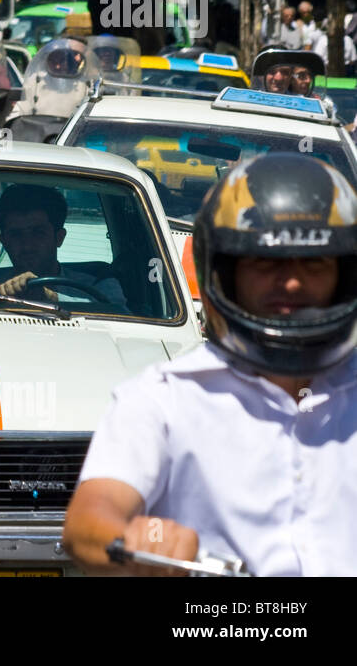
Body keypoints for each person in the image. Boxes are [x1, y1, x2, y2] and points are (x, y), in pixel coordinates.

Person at [62, 153, 357, 575]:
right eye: (264, 262)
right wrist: (141, 538)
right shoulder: (163, 400)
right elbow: (89, 521)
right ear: (224, 272)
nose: (292, 282)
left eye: (314, 263)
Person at [0, 184, 126, 306]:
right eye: (16, 234)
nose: (27, 245)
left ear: (59, 237)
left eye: (38, 233)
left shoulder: (100, 286)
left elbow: (120, 316)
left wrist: (51, 297)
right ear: (4, 241)